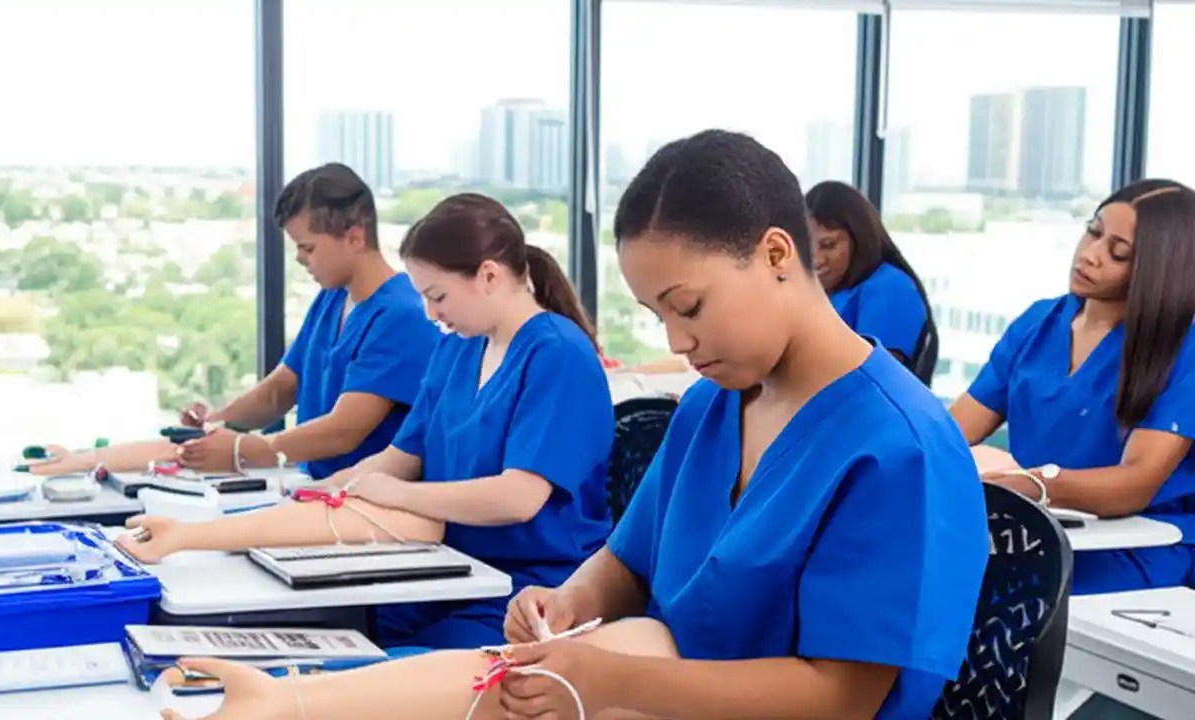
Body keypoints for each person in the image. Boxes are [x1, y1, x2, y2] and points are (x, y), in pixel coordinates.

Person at [157, 131, 988, 720]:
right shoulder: (714, 405)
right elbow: (628, 560)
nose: (678, 343)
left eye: (690, 308)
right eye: (657, 315)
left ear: (777, 256)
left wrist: (611, 678)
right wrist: (568, 601)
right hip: (649, 677)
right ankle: (292, 701)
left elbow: (841, 698)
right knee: (507, 682)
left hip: (683, 693)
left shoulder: (898, 448)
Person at [122, 192, 614, 651]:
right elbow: (403, 455)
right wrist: (334, 489)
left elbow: (517, 498)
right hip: (442, 573)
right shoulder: (459, 348)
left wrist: (393, 495)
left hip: (526, 594)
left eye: (438, 296)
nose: (429, 312)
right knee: (314, 634)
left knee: (371, 671)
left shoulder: (557, 355)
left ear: (488, 276)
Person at [24, 163, 441, 482]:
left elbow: (342, 431)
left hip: (361, 504)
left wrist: (242, 448)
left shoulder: (401, 316)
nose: (299, 259)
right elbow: (281, 388)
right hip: (316, 490)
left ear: (354, 235)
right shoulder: (333, 299)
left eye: (308, 247)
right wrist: (217, 424)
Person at [951, 179, 1195, 595]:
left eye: (1118, 253)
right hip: (1037, 533)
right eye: (1093, 231)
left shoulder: (1183, 348)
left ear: (1158, 268)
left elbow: (1136, 484)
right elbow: (948, 433)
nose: (1089, 255)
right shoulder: (1039, 323)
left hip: (1133, 548)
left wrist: (1036, 485)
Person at [805, 180, 937, 383]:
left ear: (859, 238)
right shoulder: (821, 290)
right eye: (806, 246)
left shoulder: (890, 288)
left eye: (829, 245)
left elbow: (873, 382)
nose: (816, 259)